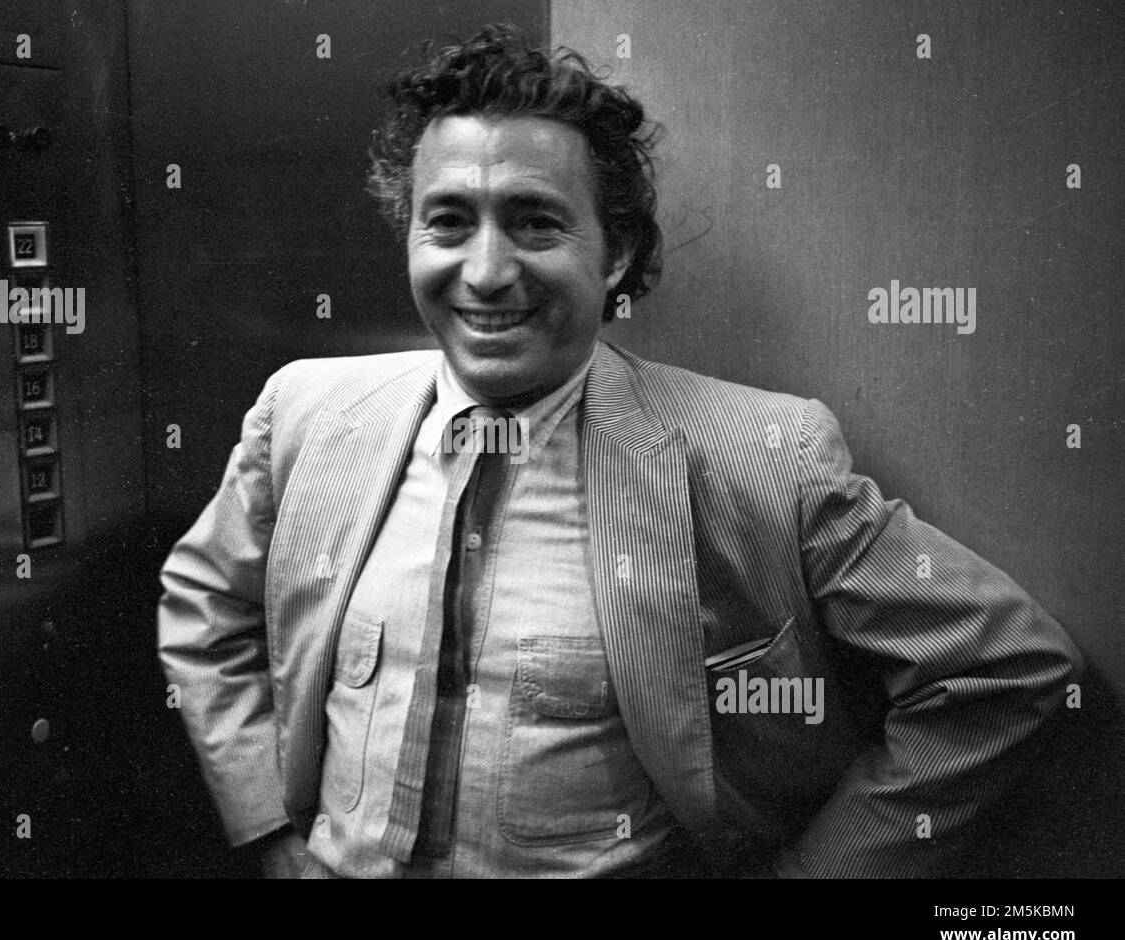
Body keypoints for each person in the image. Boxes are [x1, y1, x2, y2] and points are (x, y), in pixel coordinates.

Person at [157, 24, 1081, 878]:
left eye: (535, 221)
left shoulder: (762, 454)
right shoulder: (309, 413)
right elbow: (205, 604)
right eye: (447, 221)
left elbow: (1001, 666)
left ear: (615, 251)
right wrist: (271, 826)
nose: (483, 272)